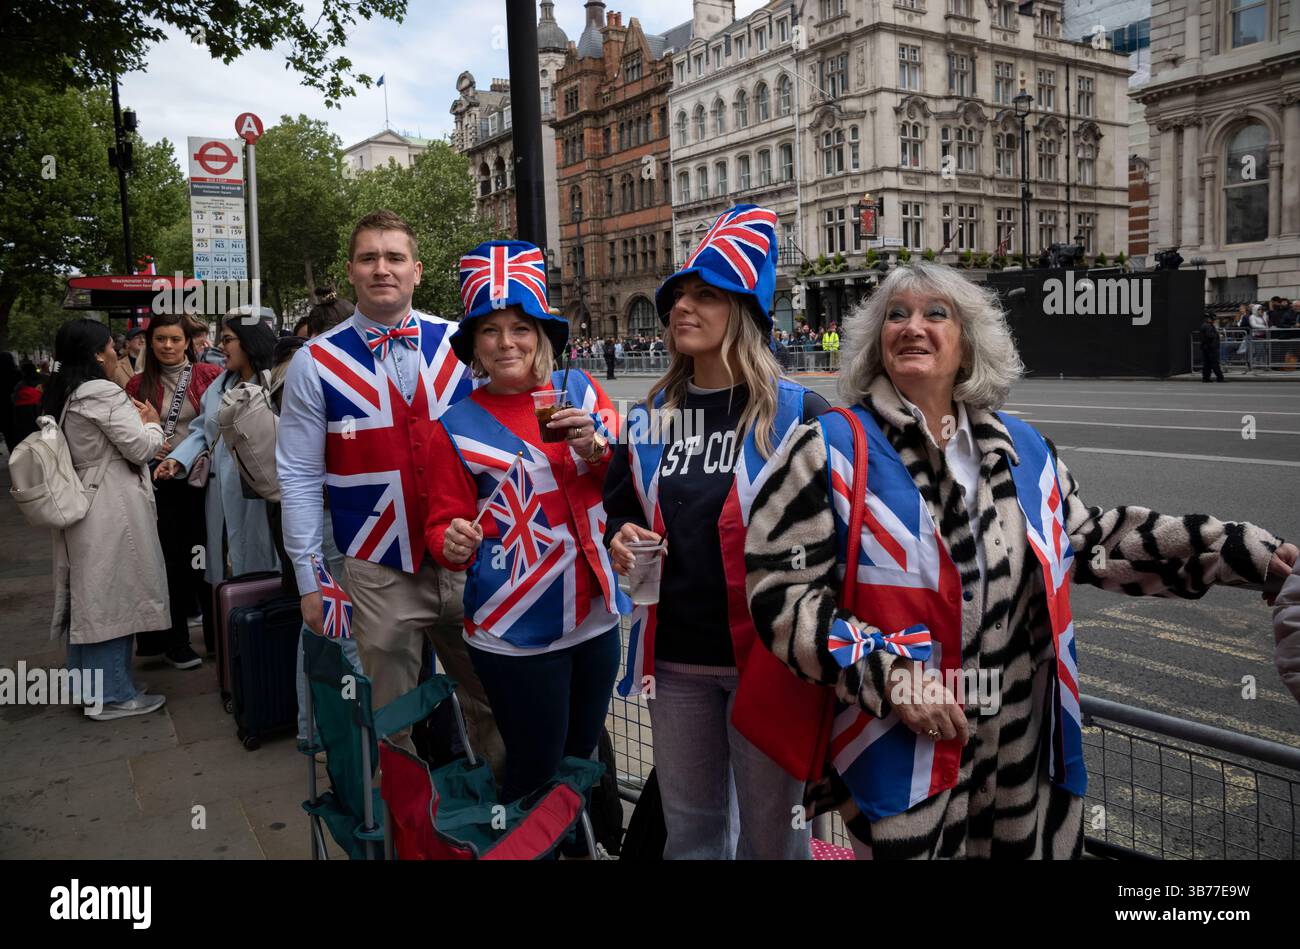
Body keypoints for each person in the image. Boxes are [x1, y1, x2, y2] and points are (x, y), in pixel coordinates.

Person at [744, 260, 1297, 859]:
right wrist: (890, 676)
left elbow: (1095, 544)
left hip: (1026, 754)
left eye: (936, 313)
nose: (912, 326)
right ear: (876, 342)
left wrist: (1237, 552)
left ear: (968, 343)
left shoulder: (1024, 450)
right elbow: (783, 594)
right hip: (902, 758)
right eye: (895, 315)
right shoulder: (828, 448)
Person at [603, 204, 832, 860]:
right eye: (678, 294)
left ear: (746, 312)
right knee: (693, 835)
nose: (681, 306)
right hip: (674, 664)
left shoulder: (800, 414)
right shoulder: (648, 415)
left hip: (770, 665)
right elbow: (618, 509)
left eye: (706, 295)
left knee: (775, 841)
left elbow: (842, 535)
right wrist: (620, 537)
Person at [277, 209, 503, 770]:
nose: (383, 268)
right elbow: (300, 477)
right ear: (351, 271)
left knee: (496, 705)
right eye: (369, 257)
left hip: (467, 560)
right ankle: (405, 834)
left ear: (417, 271)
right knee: (389, 725)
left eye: (394, 257)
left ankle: (503, 829)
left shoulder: (460, 343)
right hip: (377, 570)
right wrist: (310, 580)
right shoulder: (314, 362)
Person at [426, 239, 623, 832]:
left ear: (541, 335)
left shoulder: (581, 393)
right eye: (489, 331)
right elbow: (440, 527)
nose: (506, 342)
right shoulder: (453, 427)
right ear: (475, 346)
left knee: (581, 762)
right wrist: (451, 541)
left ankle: (575, 845)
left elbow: (629, 479)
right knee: (534, 771)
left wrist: (597, 446)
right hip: (516, 629)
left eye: (520, 327)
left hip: (597, 616)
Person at [44, 319, 169, 720]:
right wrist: (152, 423)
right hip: (111, 506)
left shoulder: (66, 391)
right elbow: (138, 449)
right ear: (98, 353)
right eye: (110, 345)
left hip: (87, 501)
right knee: (114, 596)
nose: (117, 349)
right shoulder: (101, 391)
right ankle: (113, 694)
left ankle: (91, 686)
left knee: (92, 596)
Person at [153, 309, 280, 608]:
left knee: (264, 564)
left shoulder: (274, 384)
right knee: (227, 561)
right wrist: (179, 459)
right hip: (220, 492)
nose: (220, 346)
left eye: (227, 339)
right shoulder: (219, 386)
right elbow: (202, 430)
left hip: (261, 494)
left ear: (249, 341)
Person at [126, 313, 223, 667]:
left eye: (175, 340)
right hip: (160, 484)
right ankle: (175, 641)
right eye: (160, 340)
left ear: (188, 343)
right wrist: (151, 442)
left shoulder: (209, 377)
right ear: (150, 344)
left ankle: (217, 638)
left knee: (207, 558)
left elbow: (217, 428)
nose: (168, 346)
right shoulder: (137, 385)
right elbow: (129, 437)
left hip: (203, 481)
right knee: (171, 563)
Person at [11, 361, 43, 444]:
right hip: (38, 420)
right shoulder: (43, 380)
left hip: (23, 422)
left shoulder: (19, 386)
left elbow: (15, 400)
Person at [1200, 311, 1225, 382]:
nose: (1214, 321)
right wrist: (1217, 336)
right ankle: (1220, 378)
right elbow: (1210, 336)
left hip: (1206, 347)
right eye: (1213, 319)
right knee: (1214, 363)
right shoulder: (1208, 326)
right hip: (1211, 347)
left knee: (1207, 364)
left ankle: (1206, 378)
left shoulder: (1204, 325)